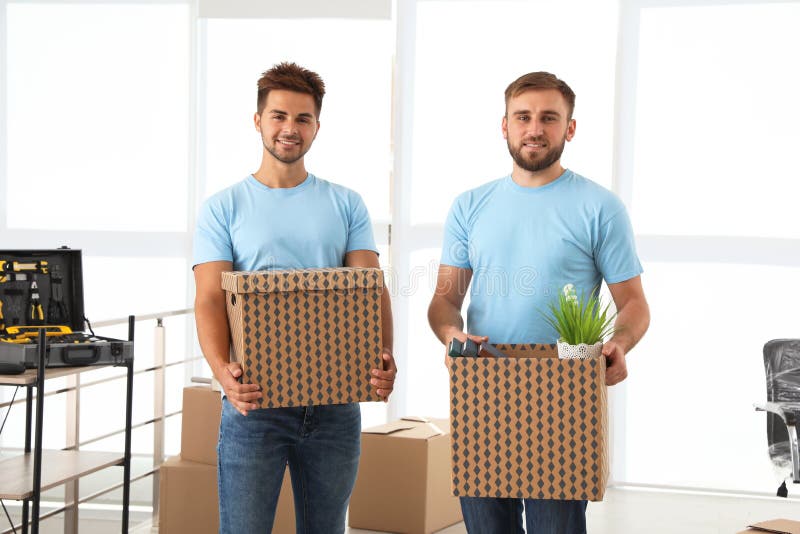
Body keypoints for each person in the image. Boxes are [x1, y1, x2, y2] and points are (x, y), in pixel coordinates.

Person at [427, 71, 650, 534]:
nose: (534, 128)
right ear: (504, 125)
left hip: (563, 393)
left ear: (570, 128)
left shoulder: (599, 207)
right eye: (523, 117)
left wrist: (619, 344)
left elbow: (633, 304)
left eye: (549, 118)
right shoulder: (469, 206)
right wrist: (451, 336)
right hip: (483, 386)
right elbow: (444, 302)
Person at [192, 62, 396, 534]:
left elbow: (371, 287)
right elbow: (210, 299)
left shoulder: (346, 203)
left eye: (303, 118)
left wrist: (384, 356)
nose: (290, 128)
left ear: (317, 127)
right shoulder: (224, 207)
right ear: (258, 120)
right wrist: (223, 374)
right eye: (279, 116)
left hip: (335, 403)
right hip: (254, 404)